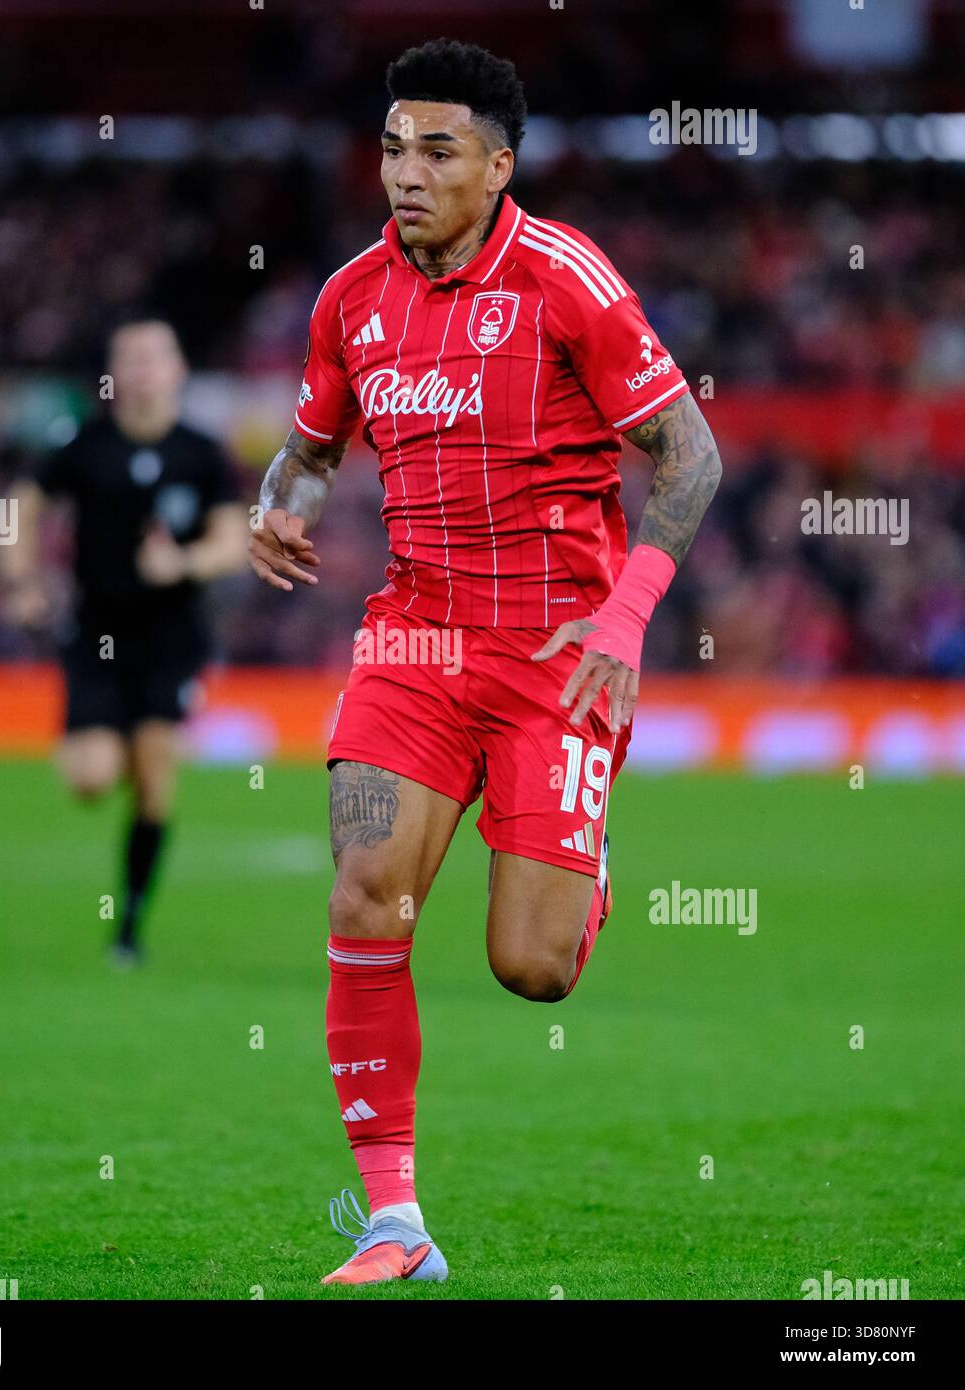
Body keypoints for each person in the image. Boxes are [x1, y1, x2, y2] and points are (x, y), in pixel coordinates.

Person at [249, 39, 722, 1284]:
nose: (405, 172)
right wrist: (279, 499)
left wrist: (623, 618)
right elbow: (306, 448)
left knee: (532, 967)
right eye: (394, 147)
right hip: (409, 640)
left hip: (555, 651)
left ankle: (580, 853)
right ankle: (396, 1220)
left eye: (437, 151)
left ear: (497, 165)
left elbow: (691, 456)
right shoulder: (350, 297)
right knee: (364, 889)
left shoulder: (567, 278)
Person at [1, 314, 248, 965]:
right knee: (90, 778)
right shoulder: (83, 445)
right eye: (128, 359)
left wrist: (184, 563)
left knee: (157, 774)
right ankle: (111, 745)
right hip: (97, 634)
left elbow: (230, 542)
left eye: (152, 357)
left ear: (177, 371)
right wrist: (21, 580)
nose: (140, 370)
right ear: (113, 375)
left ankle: (129, 926)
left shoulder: (201, 452)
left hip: (171, 637)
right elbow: (19, 507)